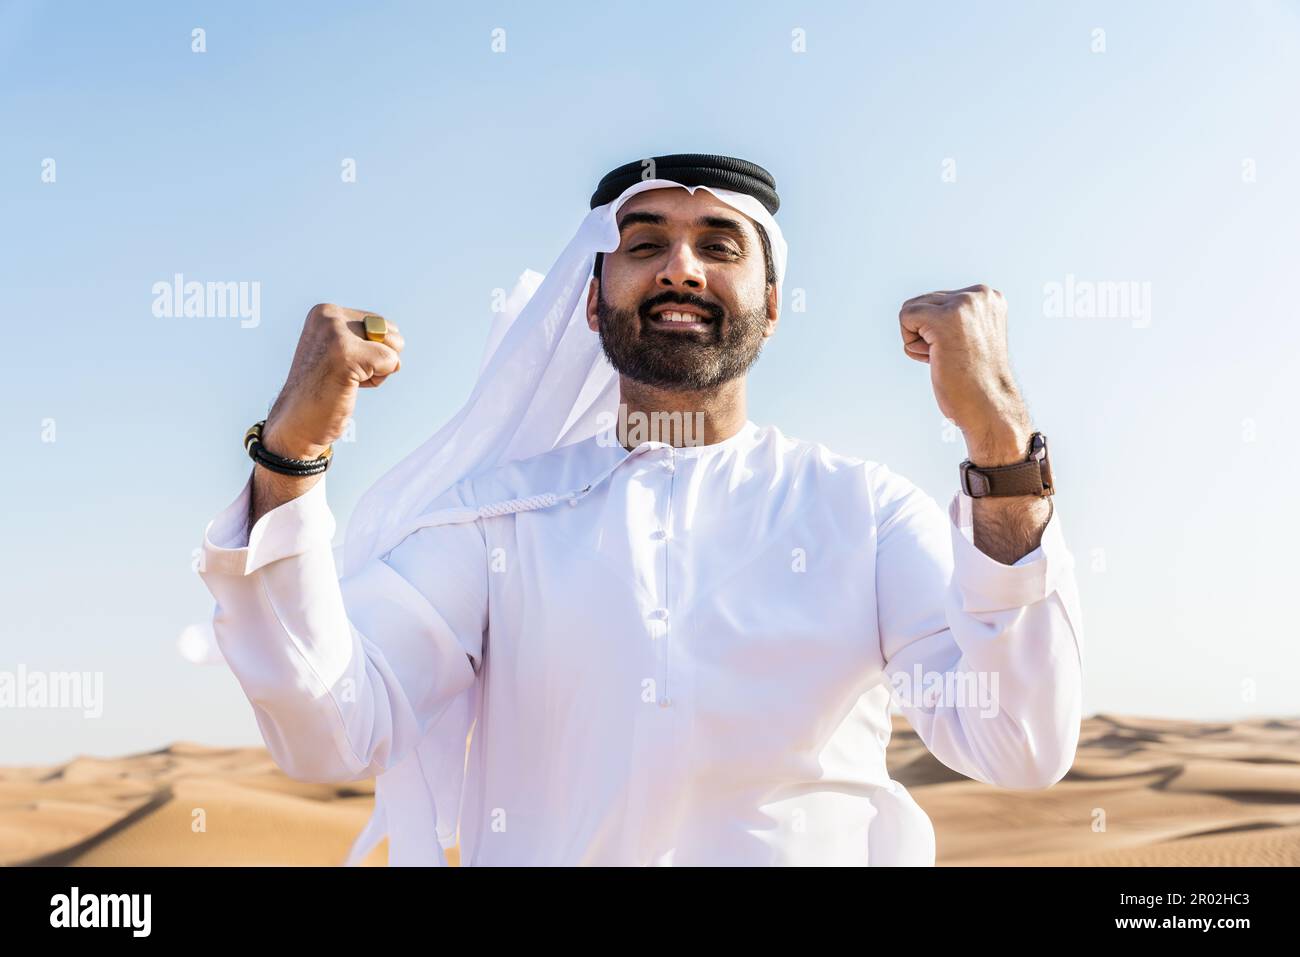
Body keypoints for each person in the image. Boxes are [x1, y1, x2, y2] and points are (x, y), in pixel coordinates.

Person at [197, 153, 1084, 866]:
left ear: (772, 307)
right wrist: (291, 458)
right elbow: (327, 728)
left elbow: (1019, 741)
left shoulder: (863, 512)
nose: (681, 268)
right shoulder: (496, 518)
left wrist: (999, 439)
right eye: (645, 242)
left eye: (721, 245)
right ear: (592, 299)